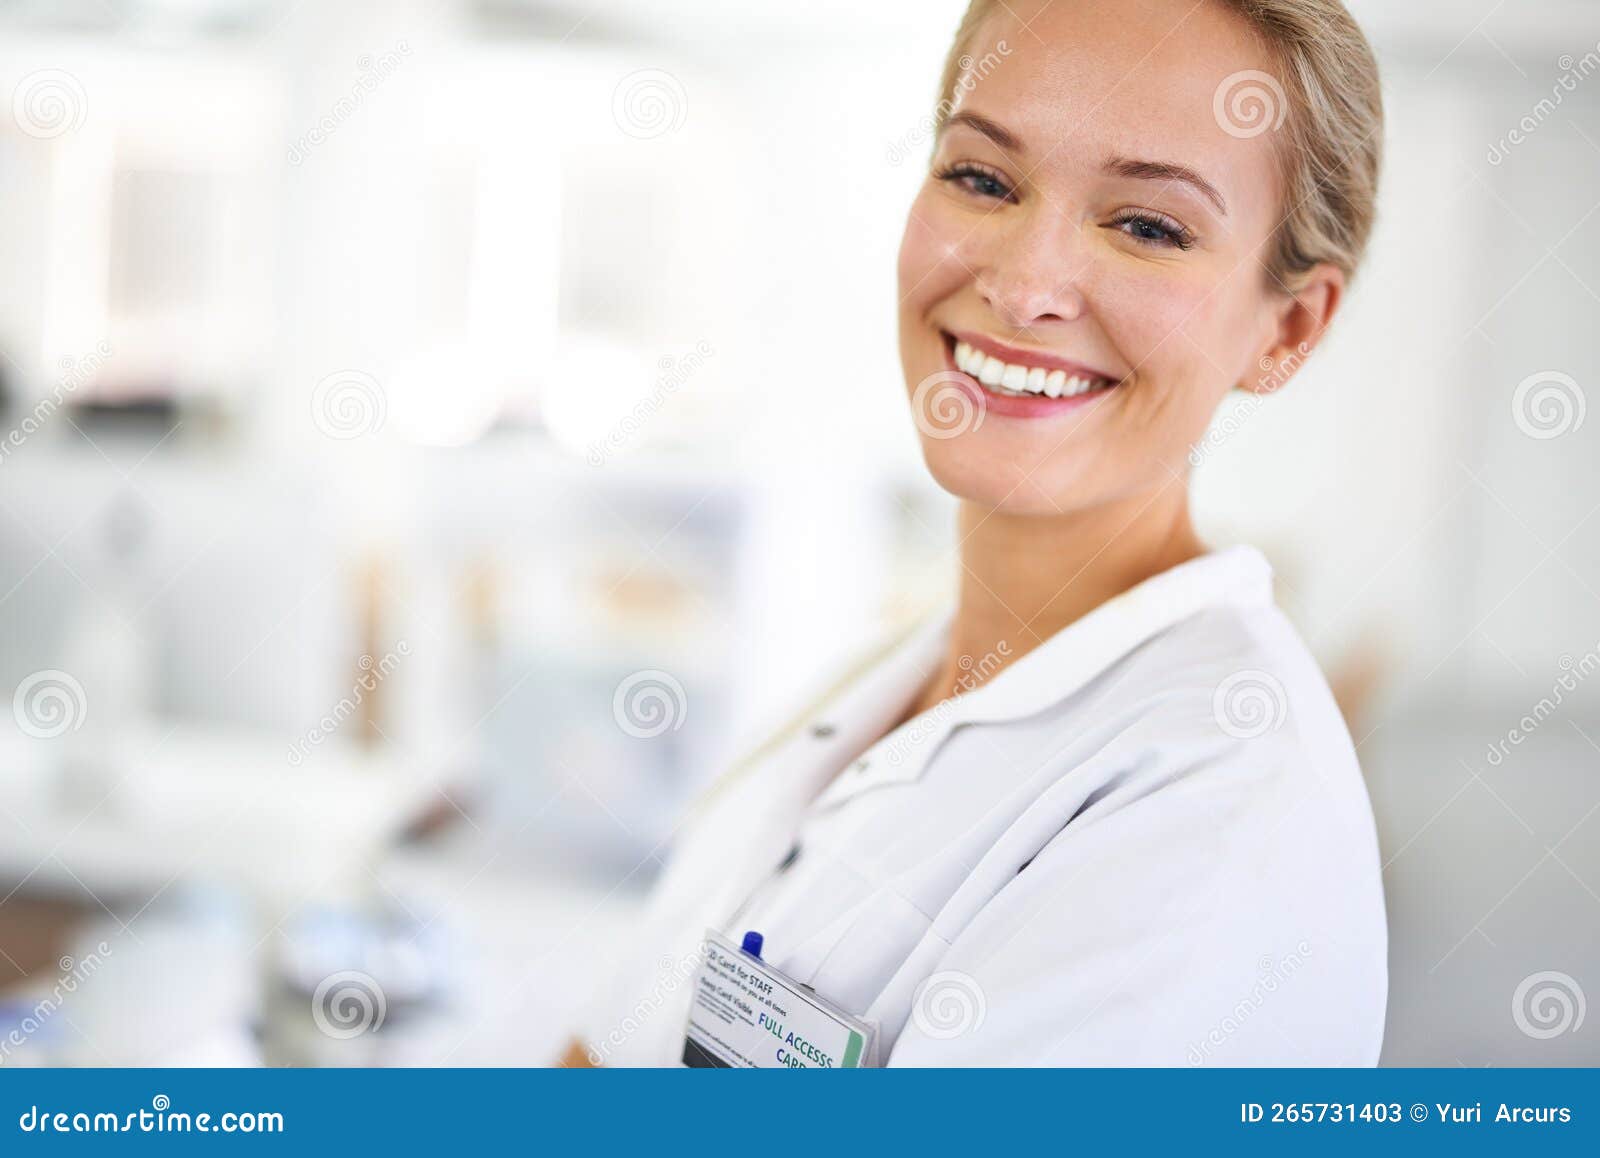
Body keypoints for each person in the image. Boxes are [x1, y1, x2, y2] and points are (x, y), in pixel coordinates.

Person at [566, 0, 1387, 1066]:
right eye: (983, 179)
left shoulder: (1222, 818)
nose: (1024, 284)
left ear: (1288, 328)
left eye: (1146, 225)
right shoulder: (871, 692)